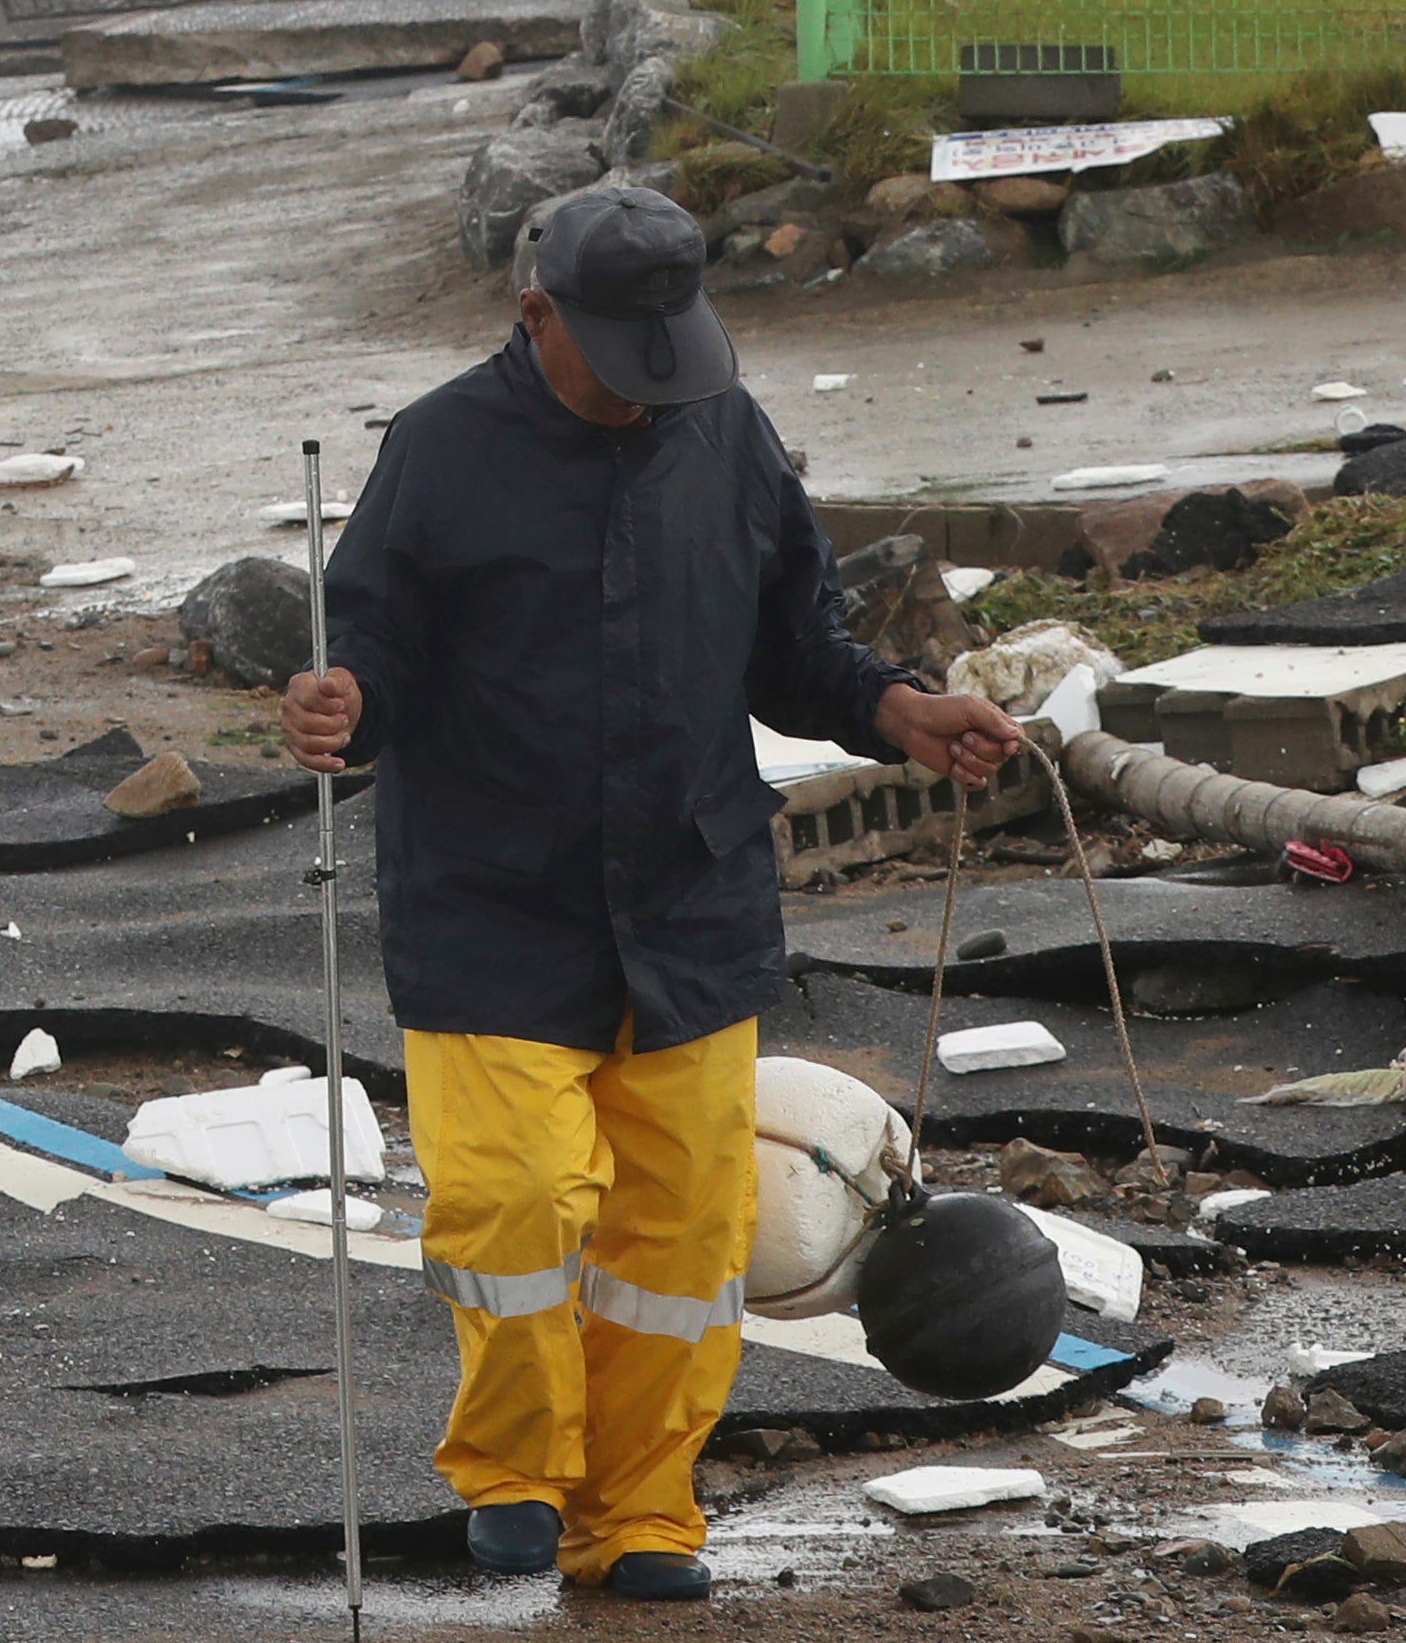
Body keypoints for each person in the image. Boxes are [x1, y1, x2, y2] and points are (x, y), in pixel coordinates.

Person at [277, 185, 1023, 1601]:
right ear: (536, 314)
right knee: (515, 1205)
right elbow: (373, 646)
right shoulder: (436, 452)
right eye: (616, 357)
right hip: (491, 907)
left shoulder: (728, 438)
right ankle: (516, 1472)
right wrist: (344, 704)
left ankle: (643, 1510)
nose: (643, 393)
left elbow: (796, 646)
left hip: (690, 898)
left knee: (679, 1236)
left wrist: (901, 711)